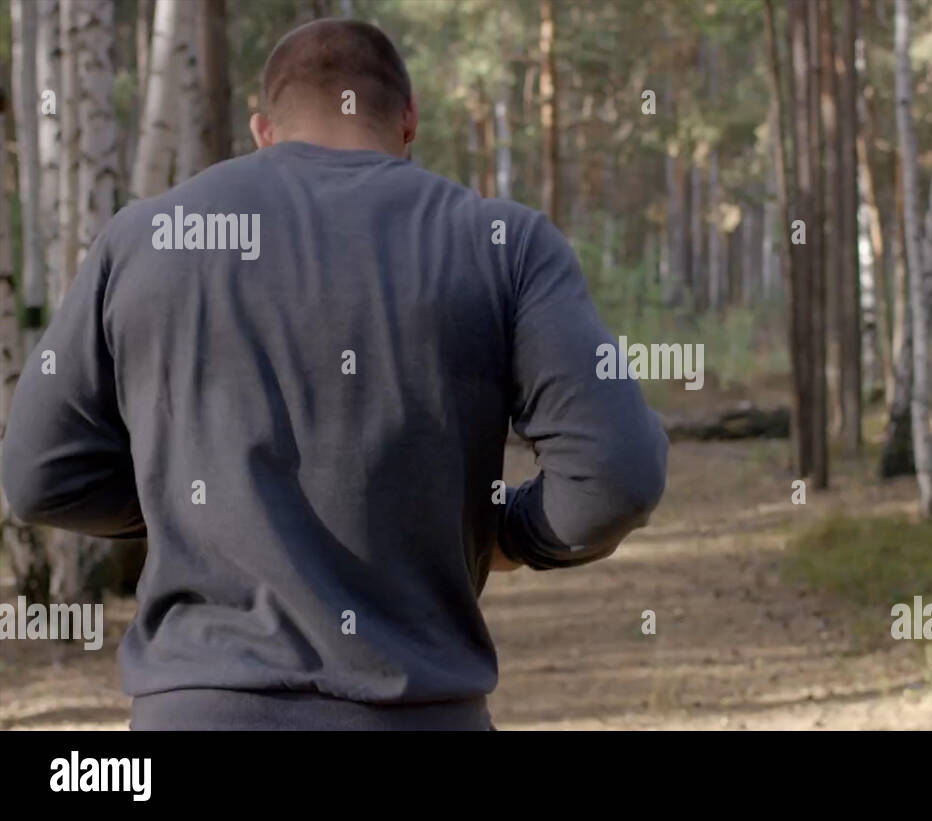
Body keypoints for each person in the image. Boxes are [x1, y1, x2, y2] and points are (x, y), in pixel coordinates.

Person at [1, 19, 668, 730]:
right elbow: (617, 475)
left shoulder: (142, 237)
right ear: (409, 120)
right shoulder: (503, 244)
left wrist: (197, 502)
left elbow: (38, 474)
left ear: (263, 129)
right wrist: (502, 533)